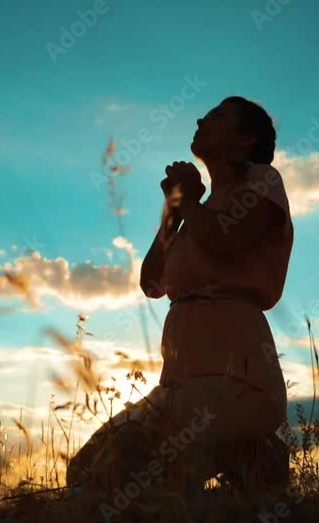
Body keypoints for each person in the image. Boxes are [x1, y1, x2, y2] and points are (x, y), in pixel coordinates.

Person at [67, 96, 293, 494]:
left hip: (240, 381)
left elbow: (227, 240)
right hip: (179, 386)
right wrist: (174, 208)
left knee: (121, 470)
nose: (201, 118)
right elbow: (151, 283)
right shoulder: (196, 213)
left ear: (246, 140)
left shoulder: (263, 180)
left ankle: (249, 445)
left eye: (218, 115)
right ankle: (251, 456)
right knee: (85, 471)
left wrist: (188, 200)